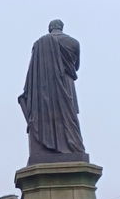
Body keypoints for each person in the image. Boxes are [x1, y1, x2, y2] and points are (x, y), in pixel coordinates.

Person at [18, 19, 87, 165]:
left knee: (46, 116)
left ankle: (46, 144)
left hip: (43, 91)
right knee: (69, 116)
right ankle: (72, 145)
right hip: (66, 84)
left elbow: (32, 73)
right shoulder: (74, 43)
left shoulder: (39, 44)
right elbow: (76, 66)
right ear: (62, 28)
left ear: (50, 28)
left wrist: (27, 92)